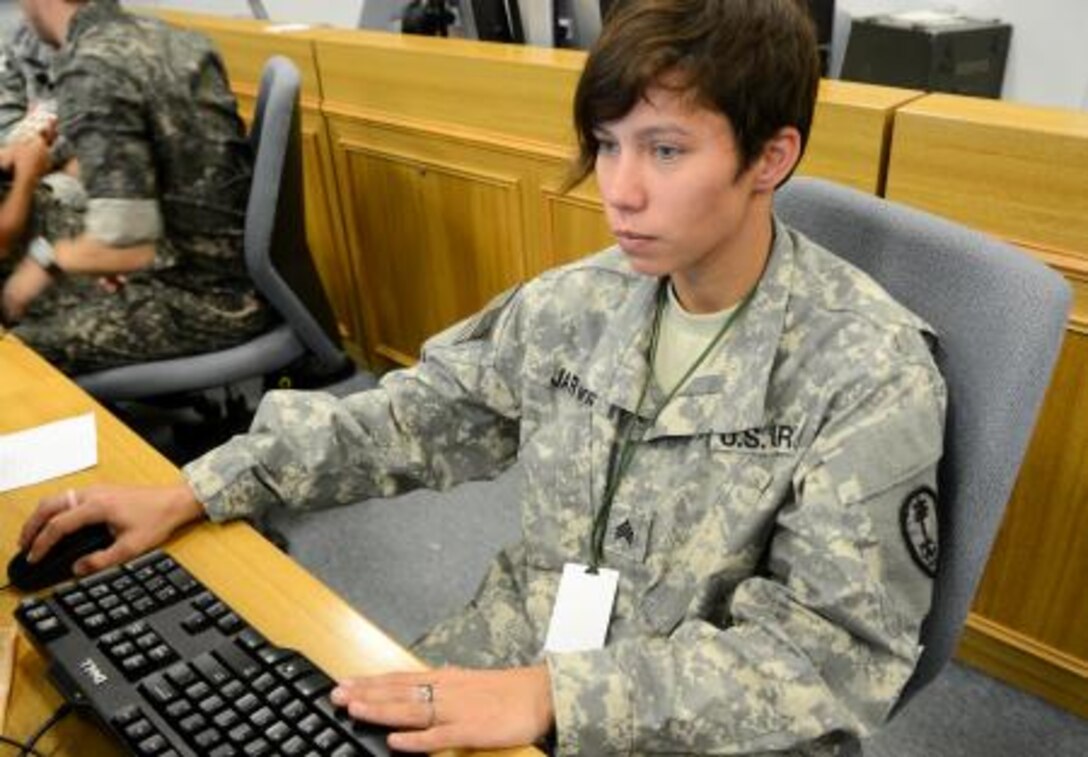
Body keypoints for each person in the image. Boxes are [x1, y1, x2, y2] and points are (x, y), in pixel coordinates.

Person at [17, 0, 947, 754]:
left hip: (703, 721)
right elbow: (412, 417)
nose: (619, 189)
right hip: (519, 646)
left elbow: (831, 658)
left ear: (769, 158)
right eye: (608, 143)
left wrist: (556, 696)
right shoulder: (579, 302)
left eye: (665, 150)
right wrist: (198, 485)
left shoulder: (867, 368)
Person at [1, 0, 269, 374]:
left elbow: (127, 245)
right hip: (221, 269)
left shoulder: (90, 66)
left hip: (200, 300)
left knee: (15, 354)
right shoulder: (172, 37)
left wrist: (45, 261)